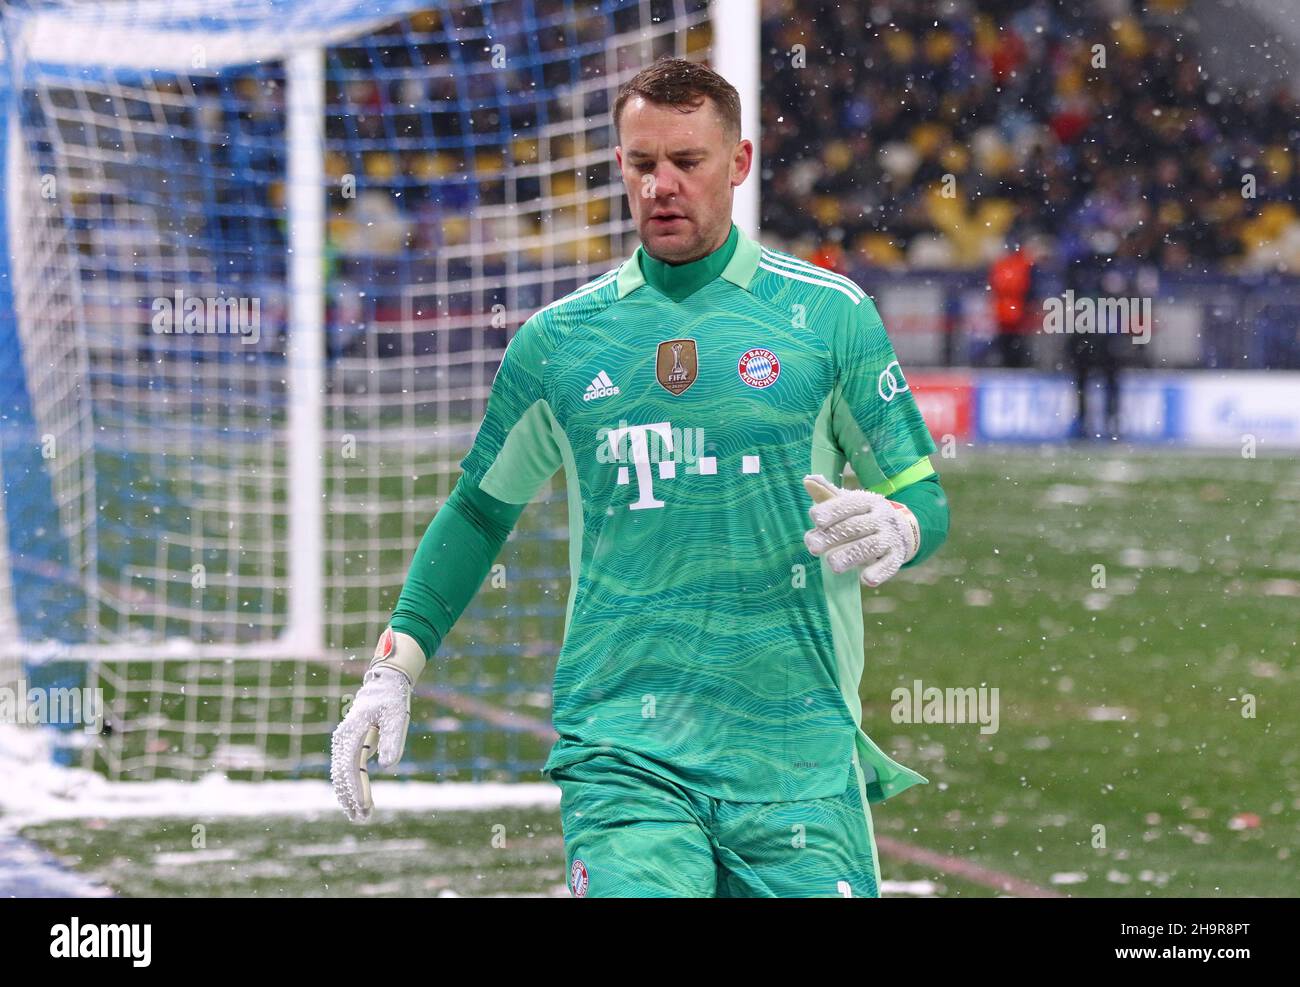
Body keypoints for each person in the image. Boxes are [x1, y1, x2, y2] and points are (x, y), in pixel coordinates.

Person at [330, 57, 951, 898]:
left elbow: (923, 492)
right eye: (639, 163)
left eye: (686, 163)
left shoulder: (830, 318)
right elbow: (480, 509)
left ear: (738, 163)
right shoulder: (560, 341)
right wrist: (394, 664)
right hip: (625, 748)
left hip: (794, 746)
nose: (661, 185)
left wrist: (903, 525)